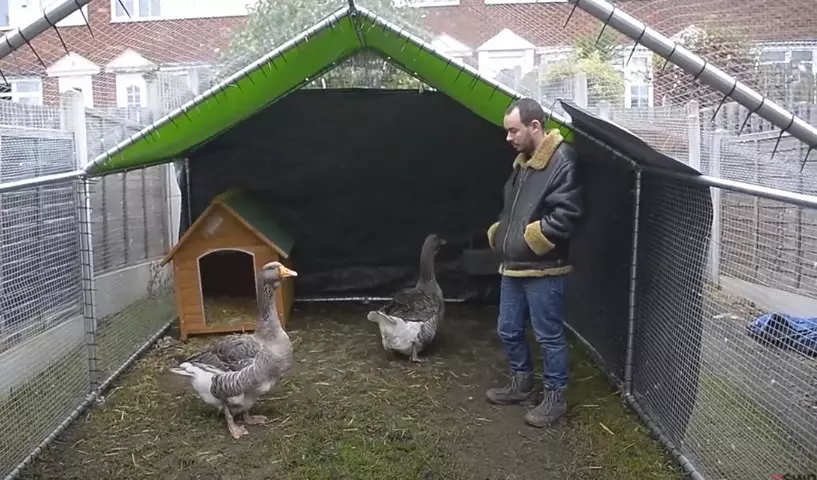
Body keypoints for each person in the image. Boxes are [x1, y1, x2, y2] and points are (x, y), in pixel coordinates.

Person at [485, 97, 584, 428]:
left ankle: (555, 399)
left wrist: (531, 240)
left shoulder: (562, 160)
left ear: (535, 126)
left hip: (544, 268)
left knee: (548, 336)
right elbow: (511, 209)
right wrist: (501, 234)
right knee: (508, 329)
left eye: (513, 131)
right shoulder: (523, 162)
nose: (508, 138)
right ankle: (521, 383)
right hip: (513, 266)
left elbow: (567, 214)